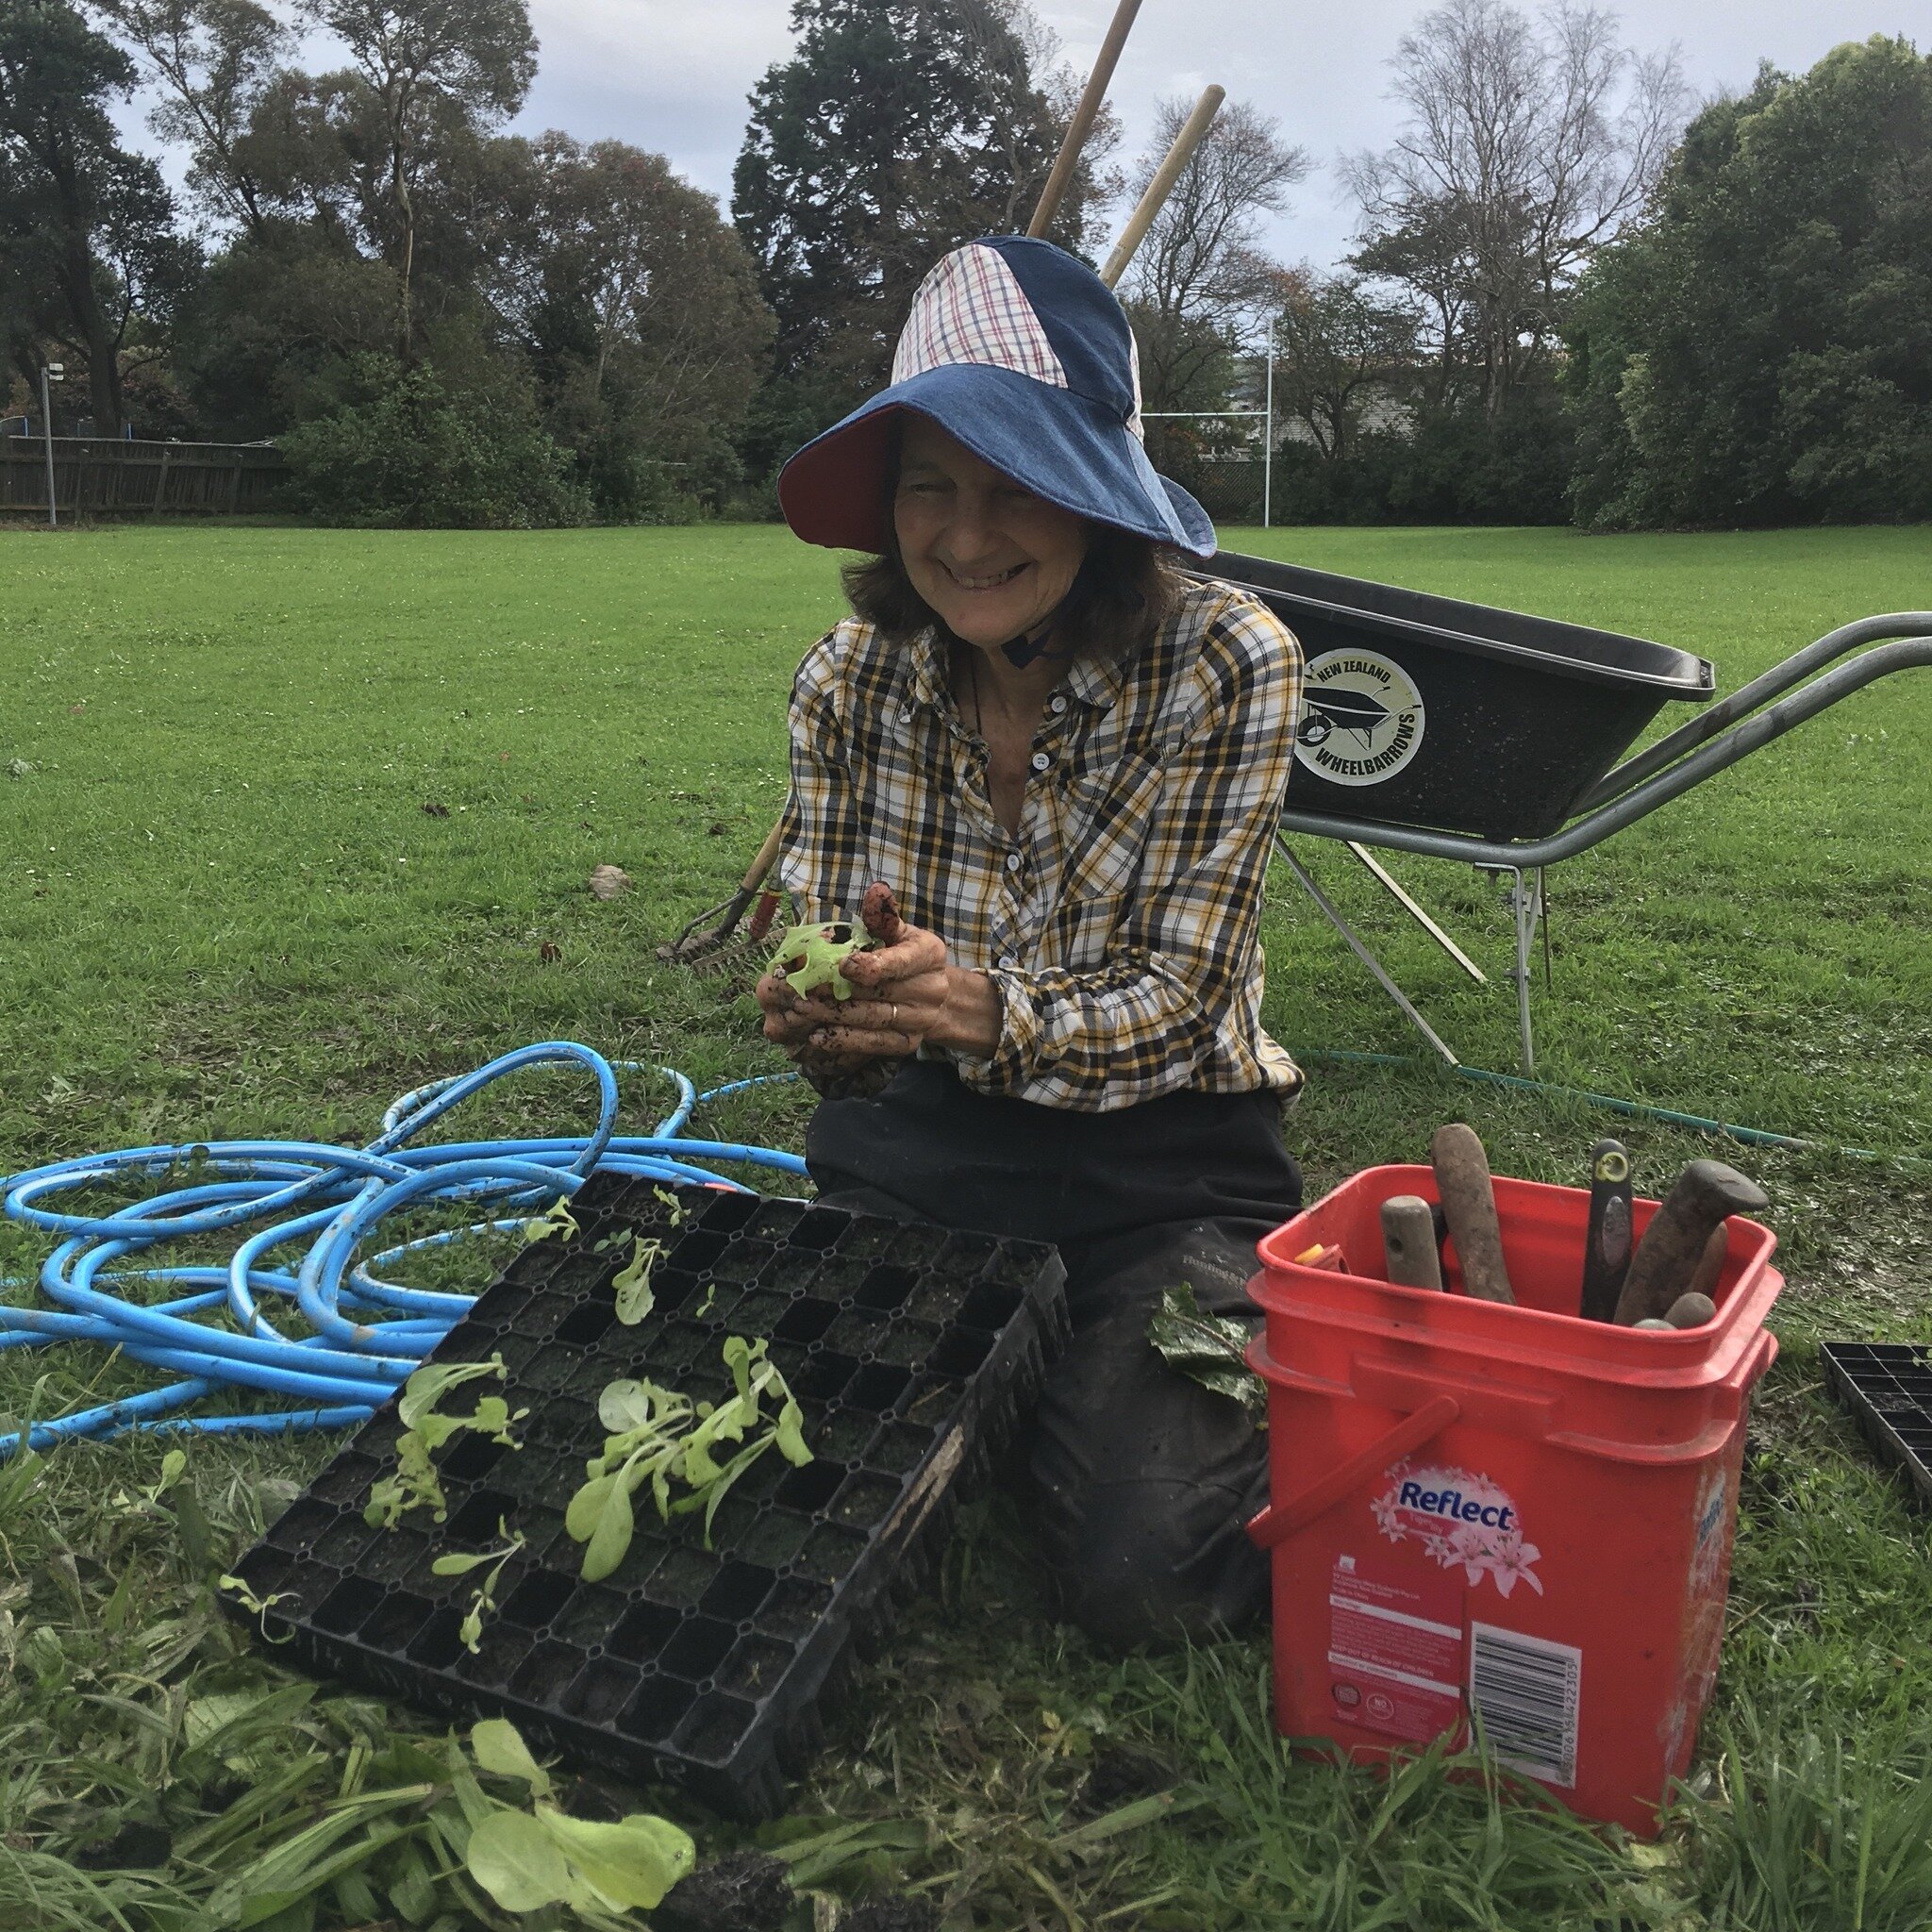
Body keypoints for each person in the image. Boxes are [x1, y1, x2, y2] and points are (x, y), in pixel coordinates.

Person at [755, 234, 1306, 1652]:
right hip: (929, 1158)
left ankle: (1077, 1352)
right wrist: (839, 1024)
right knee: (779, 1492)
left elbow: (1182, 1006)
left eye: (1015, 483)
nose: (965, 532)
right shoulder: (849, 680)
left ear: (1096, 496)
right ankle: (1019, 1357)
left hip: (1167, 1165)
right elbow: (834, 952)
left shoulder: (1229, 662)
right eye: (930, 485)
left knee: (1152, 1578)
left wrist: (984, 1009)